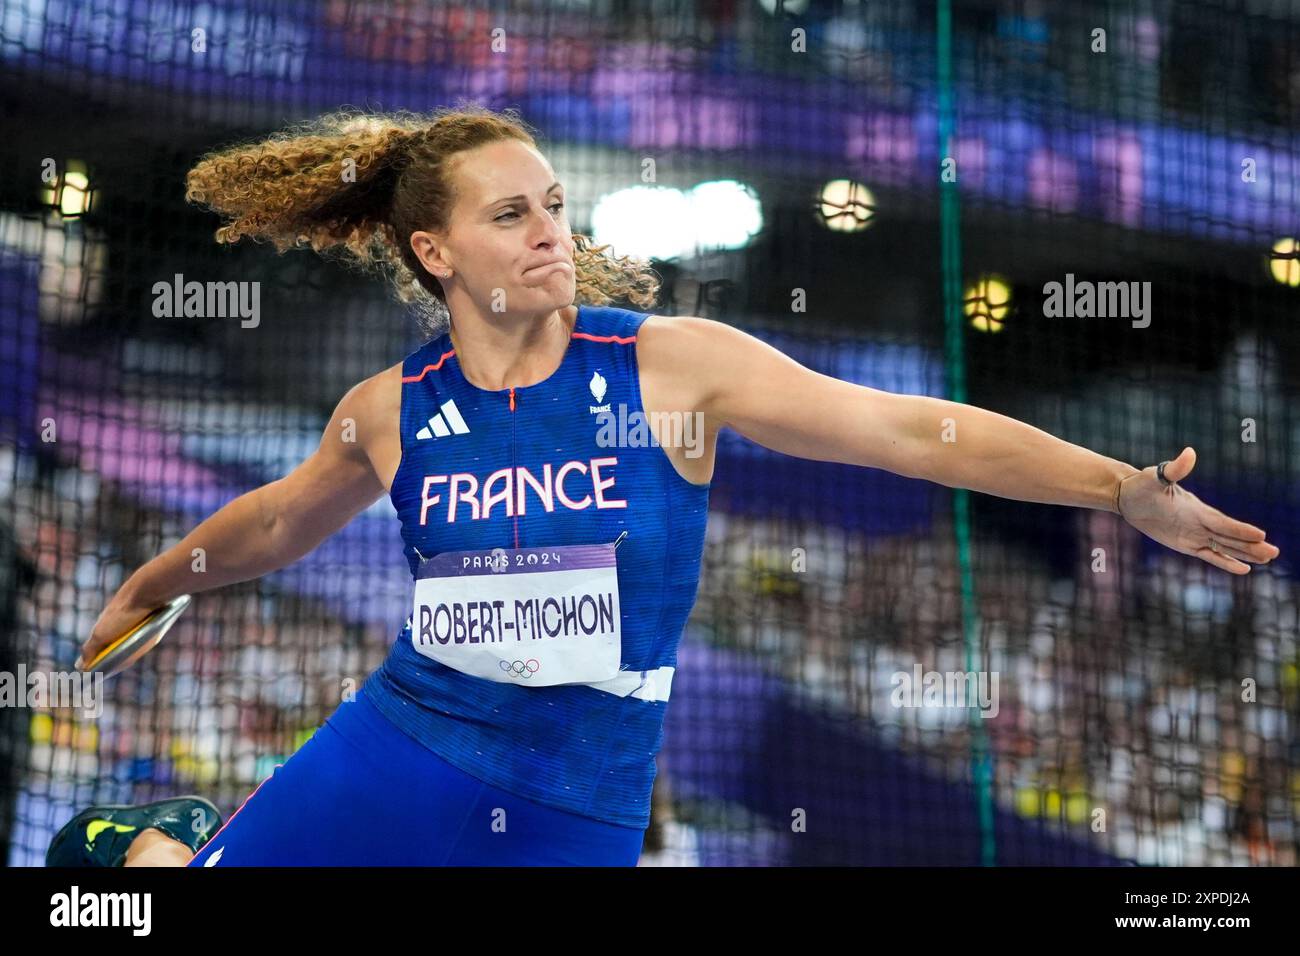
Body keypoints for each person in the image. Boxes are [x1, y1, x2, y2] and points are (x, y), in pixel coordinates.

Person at [46, 106, 1280, 867]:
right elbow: (273, 519)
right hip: (400, 745)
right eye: (509, 213)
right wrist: (152, 581)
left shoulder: (666, 366)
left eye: (554, 206)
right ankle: (155, 849)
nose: (547, 231)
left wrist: (1118, 488)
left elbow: (912, 431)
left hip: (577, 808)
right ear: (435, 251)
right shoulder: (388, 409)